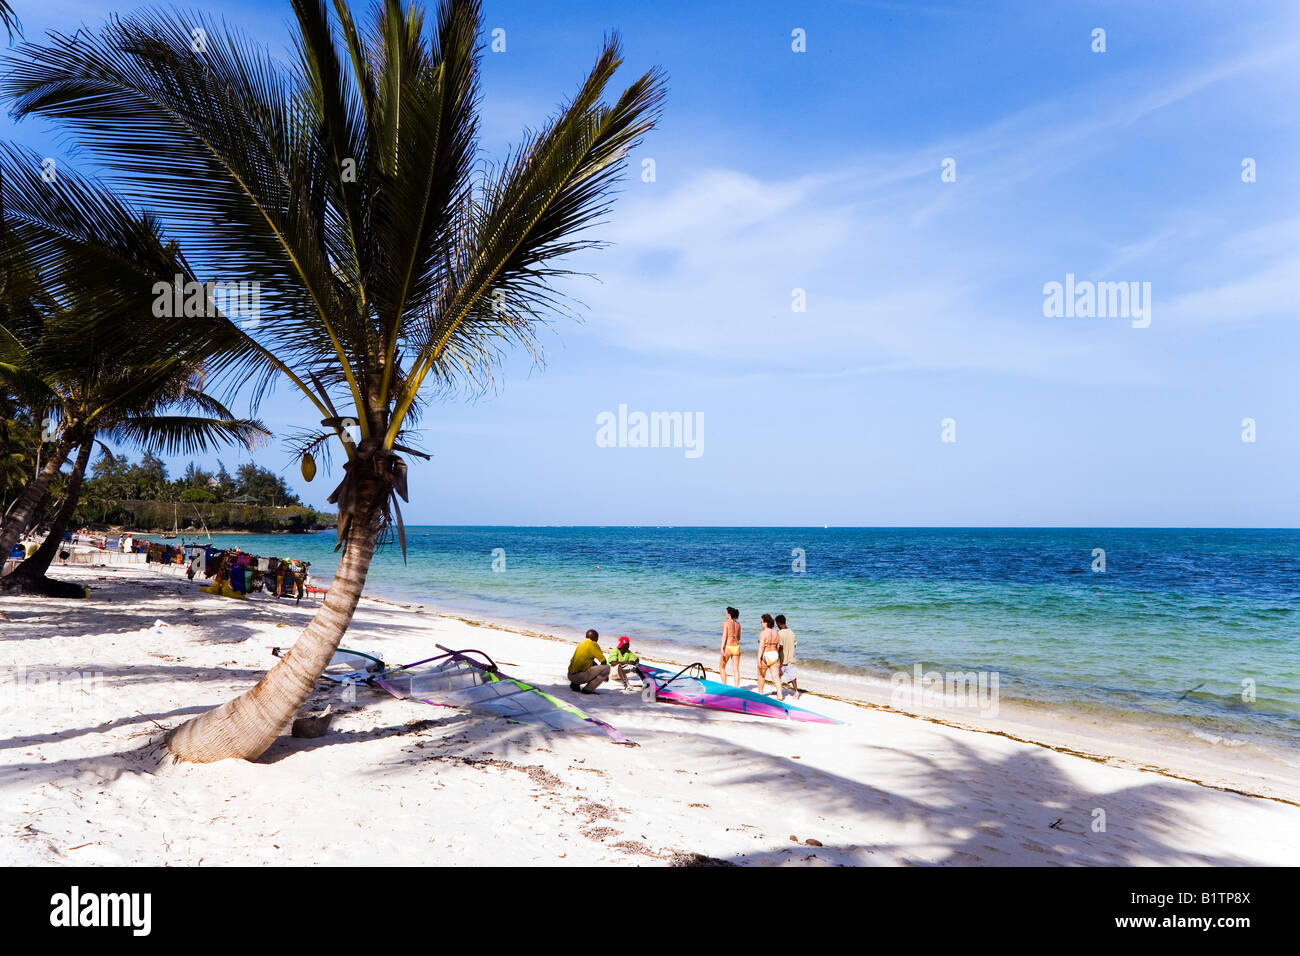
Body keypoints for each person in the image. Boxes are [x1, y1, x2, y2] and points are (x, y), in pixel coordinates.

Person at [567, 628, 610, 694]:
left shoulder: (581, 644)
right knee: (606, 668)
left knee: (587, 663)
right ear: (595, 638)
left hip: (570, 675)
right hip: (579, 677)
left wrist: (597, 669)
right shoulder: (593, 644)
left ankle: (575, 685)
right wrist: (605, 675)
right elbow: (603, 661)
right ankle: (588, 690)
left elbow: (583, 661)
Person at [757, 613, 783, 699]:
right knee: (776, 677)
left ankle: (760, 693)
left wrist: (758, 659)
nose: (761, 624)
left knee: (761, 676)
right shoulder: (776, 632)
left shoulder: (763, 633)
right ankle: (780, 694)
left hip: (766, 655)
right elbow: (778, 646)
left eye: (761, 622)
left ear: (765, 623)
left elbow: (761, 646)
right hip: (775, 655)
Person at [776, 614, 799, 698]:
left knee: (777, 676)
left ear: (779, 623)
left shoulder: (779, 633)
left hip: (782, 659)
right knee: (793, 677)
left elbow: (780, 646)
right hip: (791, 658)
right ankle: (796, 692)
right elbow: (795, 644)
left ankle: (779, 691)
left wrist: (776, 651)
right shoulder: (791, 632)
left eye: (777, 624)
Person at [719, 606, 741, 686]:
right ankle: (736, 687)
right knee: (736, 669)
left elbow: (724, 636)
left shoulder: (726, 623)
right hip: (736, 647)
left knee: (722, 667)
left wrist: (722, 647)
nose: (726, 614)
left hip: (728, 647)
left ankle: (724, 685)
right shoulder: (738, 624)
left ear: (729, 614)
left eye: (726, 612)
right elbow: (739, 638)